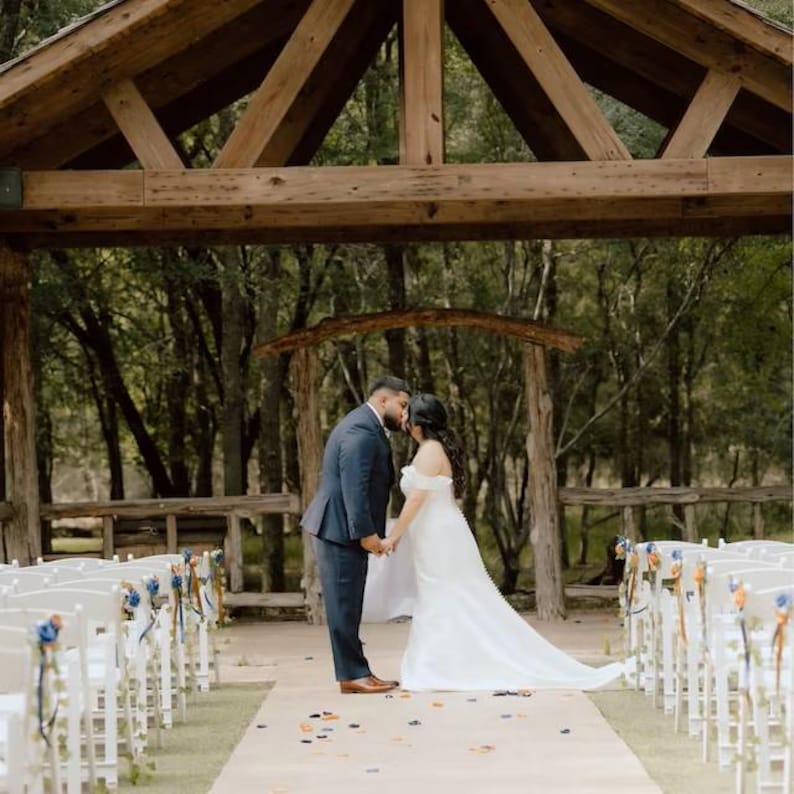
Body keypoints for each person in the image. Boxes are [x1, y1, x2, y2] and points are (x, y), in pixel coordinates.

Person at [381, 393, 625, 691]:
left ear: (420, 421)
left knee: (448, 595)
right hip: (434, 534)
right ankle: (445, 664)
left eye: (408, 412)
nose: (403, 416)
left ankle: (437, 667)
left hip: (440, 537)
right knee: (443, 596)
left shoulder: (431, 450)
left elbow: (417, 497)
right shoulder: (429, 449)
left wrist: (393, 535)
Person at [301, 376, 411, 694]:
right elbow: (354, 487)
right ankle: (352, 675)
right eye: (401, 405)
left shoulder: (367, 425)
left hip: (340, 528)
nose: (404, 414)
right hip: (338, 529)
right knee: (343, 605)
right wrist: (366, 534)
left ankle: (358, 671)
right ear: (382, 400)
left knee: (349, 605)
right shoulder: (361, 430)